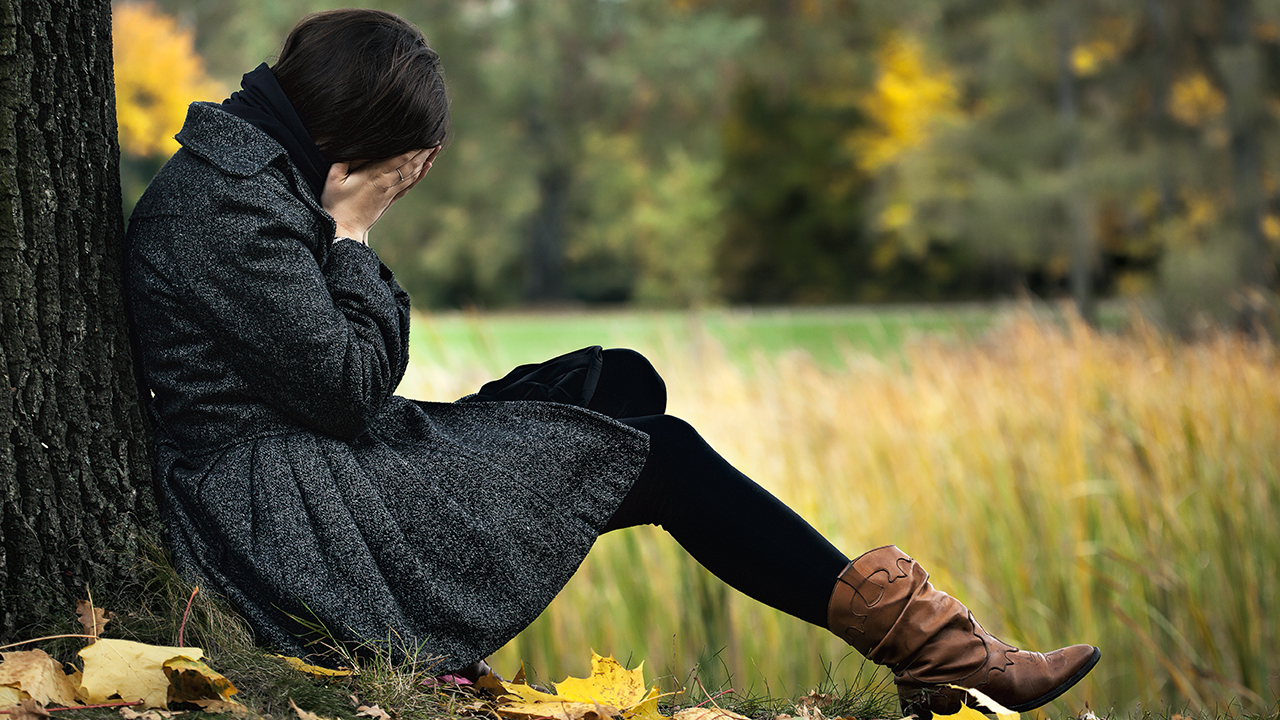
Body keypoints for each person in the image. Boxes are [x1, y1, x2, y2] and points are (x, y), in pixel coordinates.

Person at [124, 9, 1099, 716]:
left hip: (313, 465)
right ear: (358, 140)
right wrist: (354, 236)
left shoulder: (255, 174)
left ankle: (934, 649)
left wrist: (344, 229)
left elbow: (331, 379)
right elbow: (345, 390)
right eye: (406, 166)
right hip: (281, 511)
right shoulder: (237, 207)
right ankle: (941, 655)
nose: (409, 184)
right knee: (659, 454)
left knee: (616, 383)